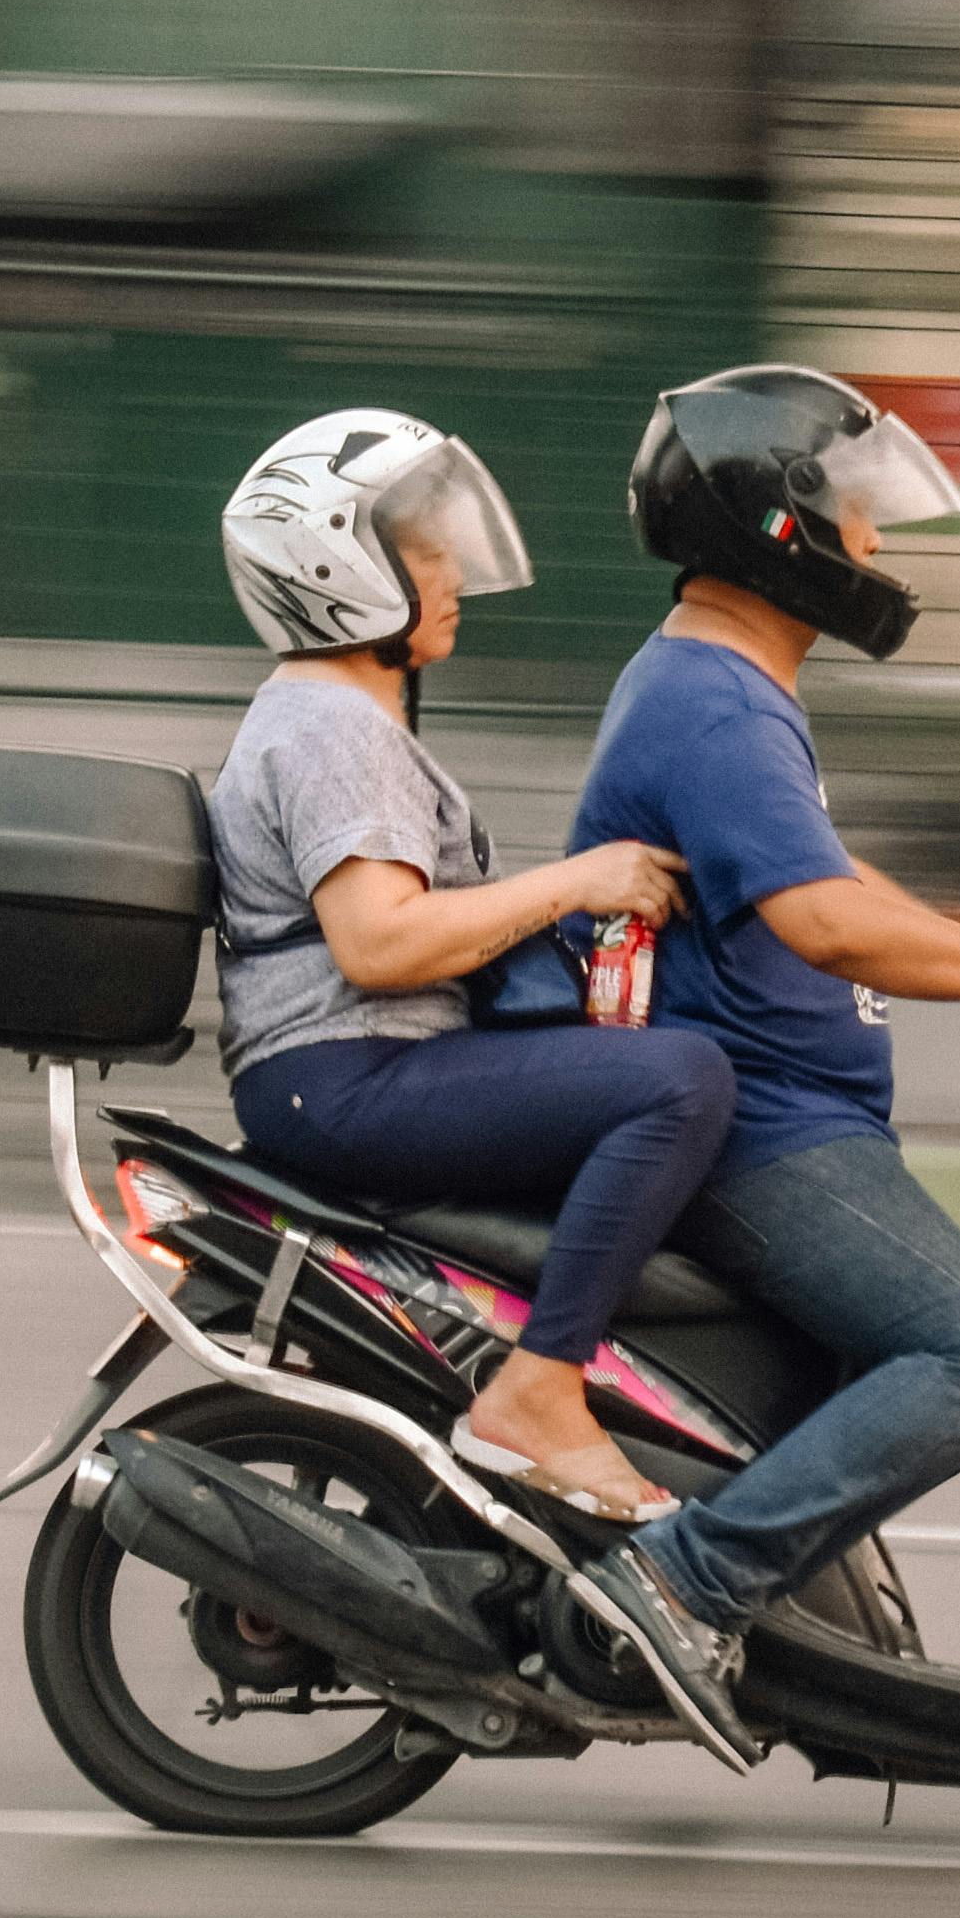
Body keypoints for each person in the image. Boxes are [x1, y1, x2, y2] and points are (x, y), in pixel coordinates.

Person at [556, 365, 960, 1761]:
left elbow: (835, 875)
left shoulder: (723, 689)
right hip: (760, 1137)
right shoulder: (717, 703)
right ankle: (686, 1581)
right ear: (773, 523)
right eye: (856, 514)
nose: (878, 545)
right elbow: (827, 921)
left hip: (784, 1120)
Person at [209, 408, 732, 1525]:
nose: (451, 572)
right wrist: (576, 882)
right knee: (680, 1083)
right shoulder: (331, 728)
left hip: (350, 1073)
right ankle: (537, 1395)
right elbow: (380, 944)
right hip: (345, 1076)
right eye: (423, 550)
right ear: (337, 570)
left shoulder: (339, 719)